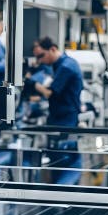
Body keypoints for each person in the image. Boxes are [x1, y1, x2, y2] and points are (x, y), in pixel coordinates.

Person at [28, 37, 83, 184]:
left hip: (65, 119)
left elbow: (50, 93)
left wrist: (32, 84)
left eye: (41, 56)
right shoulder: (59, 65)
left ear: (52, 49)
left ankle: (64, 197)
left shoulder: (66, 67)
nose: (39, 60)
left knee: (65, 160)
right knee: (60, 160)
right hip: (61, 116)